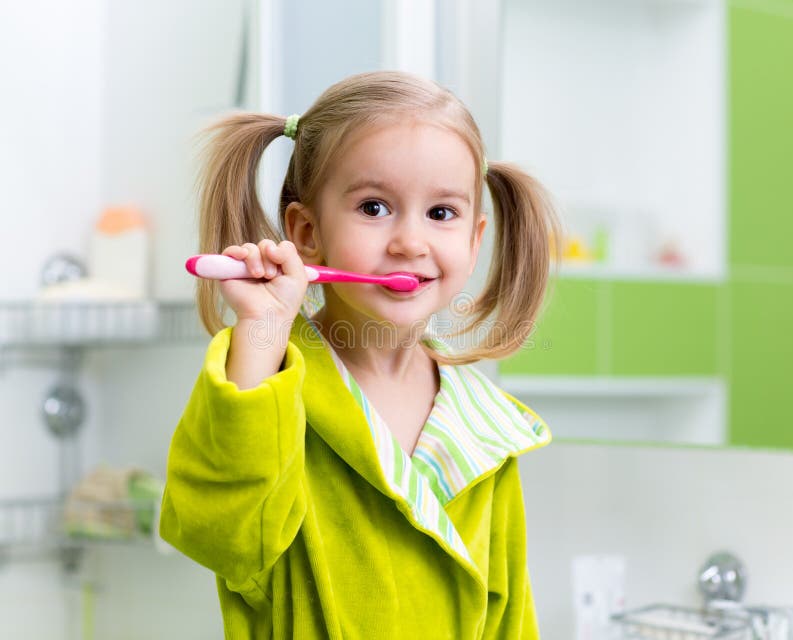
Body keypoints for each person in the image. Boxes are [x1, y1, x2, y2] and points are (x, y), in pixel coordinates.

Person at [160, 70, 560, 639]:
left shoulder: (490, 431)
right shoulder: (265, 378)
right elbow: (217, 535)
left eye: (440, 213)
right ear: (306, 232)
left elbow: (511, 620)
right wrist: (264, 332)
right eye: (374, 208)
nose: (410, 242)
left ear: (474, 242)